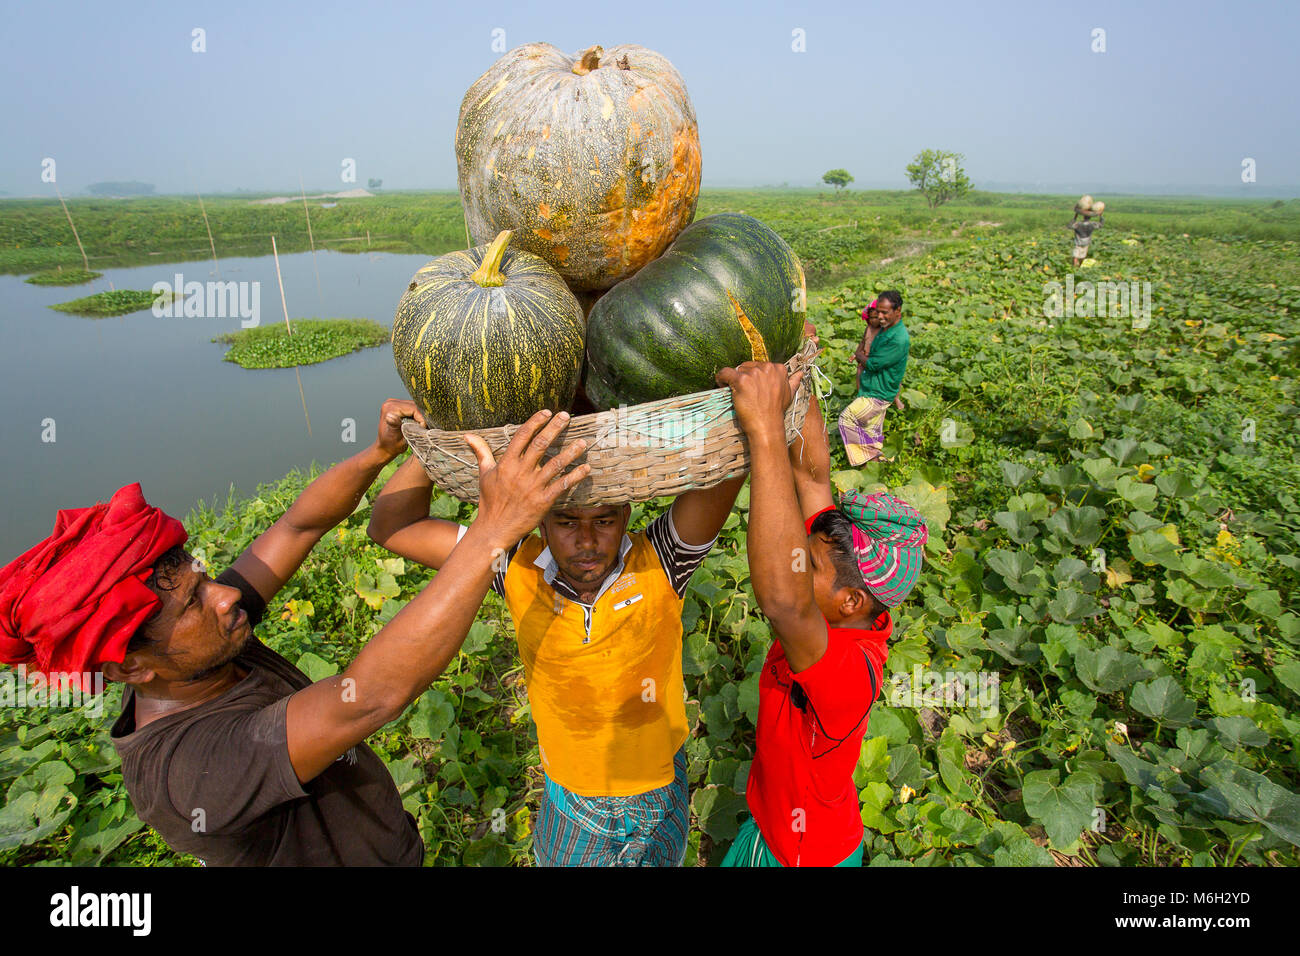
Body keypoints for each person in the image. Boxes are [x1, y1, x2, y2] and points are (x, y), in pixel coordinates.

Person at [0, 402, 589, 866]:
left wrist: (384, 452)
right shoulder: (188, 772)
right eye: (191, 603)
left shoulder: (196, 652)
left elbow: (298, 524)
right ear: (131, 669)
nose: (227, 594)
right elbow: (369, 697)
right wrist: (492, 530)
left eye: (205, 580)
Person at [368, 428, 746, 866]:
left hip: (658, 785)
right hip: (571, 797)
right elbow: (393, 527)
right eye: (567, 523)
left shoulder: (662, 558)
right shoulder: (511, 564)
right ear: (540, 522)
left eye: (603, 521)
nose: (586, 541)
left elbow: (731, 460)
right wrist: (427, 438)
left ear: (625, 516)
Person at [716, 356, 927, 867]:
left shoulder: (850, 670)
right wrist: (798, 362)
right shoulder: (850, 603)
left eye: (806, 565)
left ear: (852, 601)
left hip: (805, 855)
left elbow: (784, 603)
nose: (796, 565)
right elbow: (810, 476)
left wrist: (764, 428)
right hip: (776, 826)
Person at [840, 289, 910, 464]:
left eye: (884, 312)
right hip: (871, 387)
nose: (879, 316)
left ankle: (871, 457)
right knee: (871, 433)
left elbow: (873, 364)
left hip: (879, 393)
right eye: (877, 311)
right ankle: (875, 467)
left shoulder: (898, 339)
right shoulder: (886, 329)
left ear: (898, 311)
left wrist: (858, 356)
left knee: (846, 418)